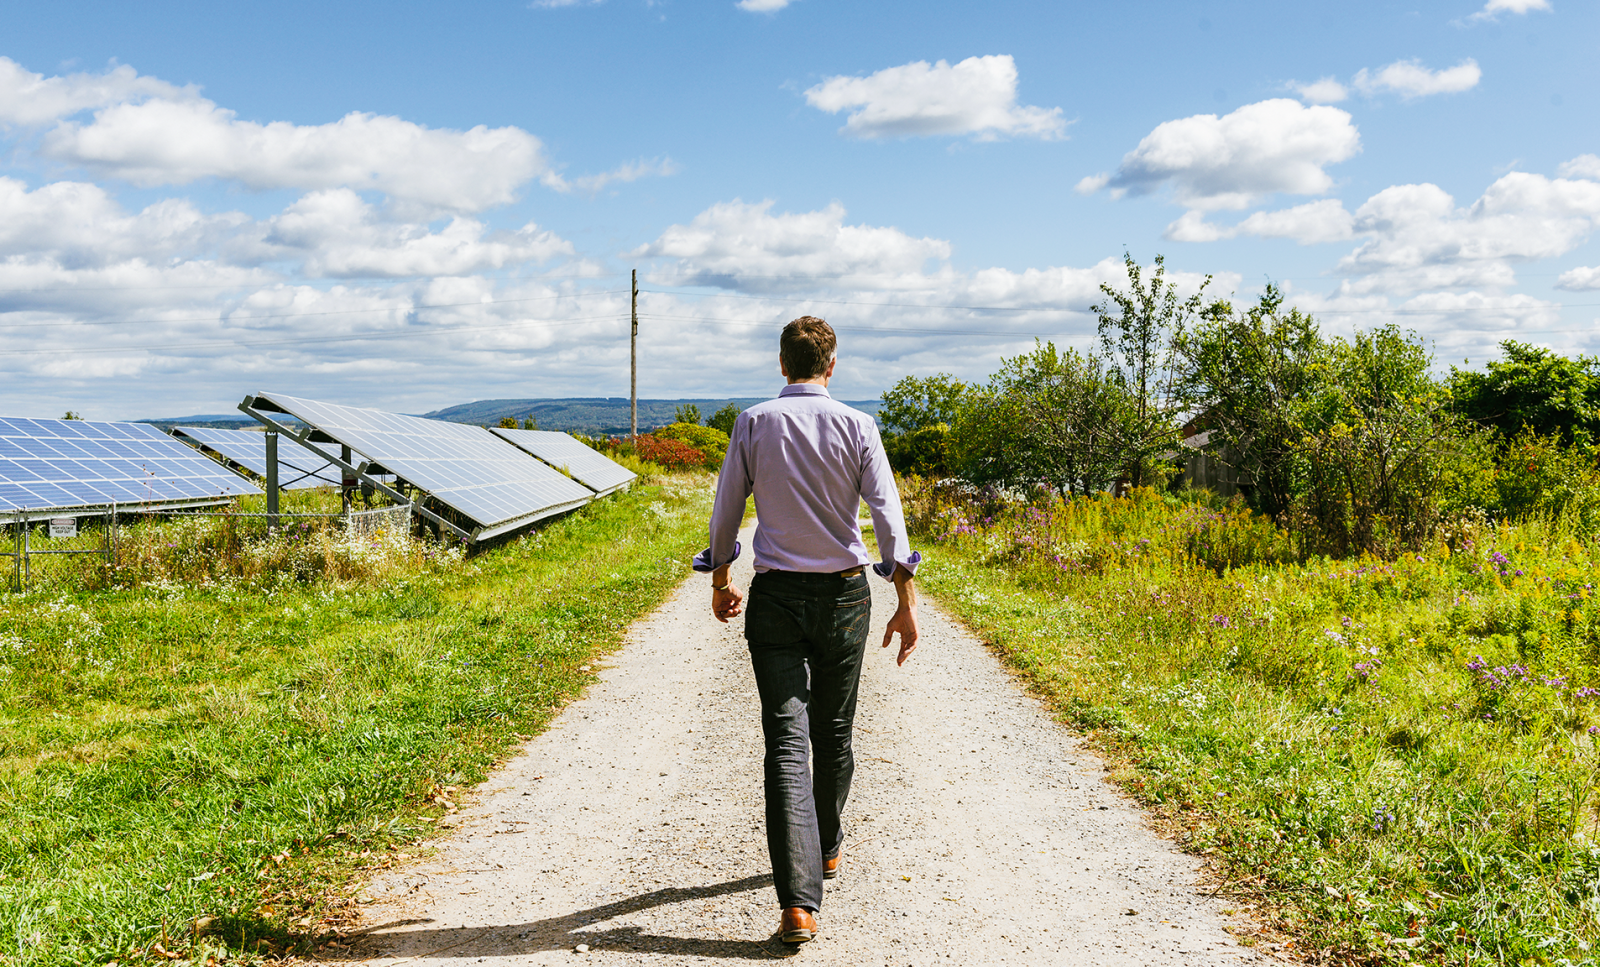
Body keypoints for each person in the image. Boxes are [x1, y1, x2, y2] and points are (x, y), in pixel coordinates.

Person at [693, 316, 921, 945]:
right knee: (835, 729)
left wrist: (720, 579)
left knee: (785, 742)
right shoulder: (859, 426)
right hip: (846, 597)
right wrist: (904, 601)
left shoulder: (754, 423)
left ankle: (798, 904)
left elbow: (728, 508)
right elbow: (888, 521)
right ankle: (824, 847)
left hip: (777, 599)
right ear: (832, 364)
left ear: (782, 363)